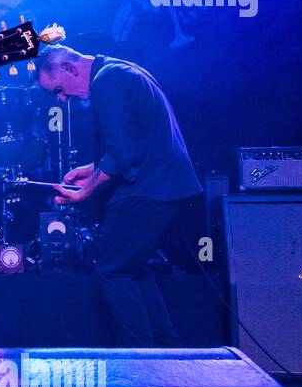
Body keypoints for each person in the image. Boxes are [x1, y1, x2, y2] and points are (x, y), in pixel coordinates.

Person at [34, 45, 201, 347]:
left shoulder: (106, 81)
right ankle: (168, 349)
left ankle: (138, 359)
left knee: (112, 272)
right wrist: (93, 169)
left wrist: (87, 190)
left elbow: (123, 154)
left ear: (70, 68)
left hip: (147, 191)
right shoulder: (123, 69)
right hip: (166, 187)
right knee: (131, 268)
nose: (61, 98)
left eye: (58, 89)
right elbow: (137, 141)